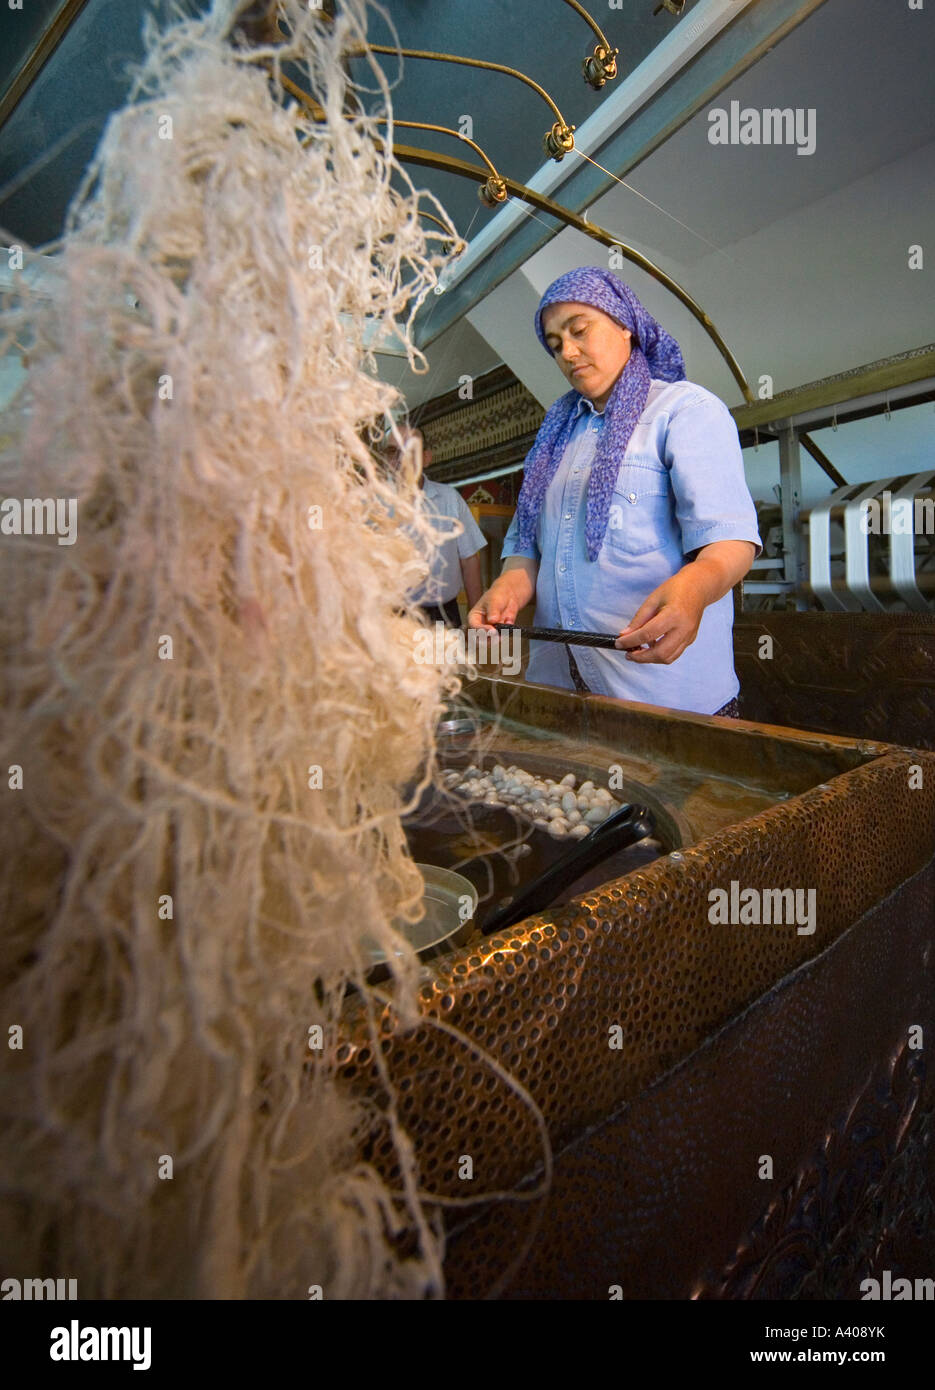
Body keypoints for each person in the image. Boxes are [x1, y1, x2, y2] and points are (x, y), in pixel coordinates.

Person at [468, 268, 762, 717]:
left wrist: (696, 587)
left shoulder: (685, 411)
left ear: (625, 323)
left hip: (664, 695)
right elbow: (528, 549)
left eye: (579, 330)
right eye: (554, 344)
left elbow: (730, 541)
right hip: (564, 693)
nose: (567, 351)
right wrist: (510, 584)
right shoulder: (554, 439)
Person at [388, 425, 487, 627]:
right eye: (392, 452)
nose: (400, 460)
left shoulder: (449, 498)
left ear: (426, 458)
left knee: (447, 659)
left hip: (443, 617)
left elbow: (469, 561)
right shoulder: (371, 504)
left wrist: (476, 619)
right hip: (389, 620)